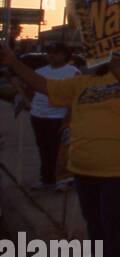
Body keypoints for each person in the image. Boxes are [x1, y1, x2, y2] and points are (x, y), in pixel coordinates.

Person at [1, 44, 120, 257]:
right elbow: (45, 86)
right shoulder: (81, 83)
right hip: (86, 168)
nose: (90, 58)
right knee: (94, 223)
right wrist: (13, 63)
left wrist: (110, 55)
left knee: (117, 222)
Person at [18, 42, 78, 189]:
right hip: (38, 115)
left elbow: (75, 98)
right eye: (49, 53)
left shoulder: (72, 72)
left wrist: (68, 118)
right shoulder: (40, 71)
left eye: (55, 52)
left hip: (59, 116)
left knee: (59, 150)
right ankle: (46, 178)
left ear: (64, 55)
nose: (51, 56)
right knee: (43, 148)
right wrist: (28, 103)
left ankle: (62, 179)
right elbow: (29, 91)